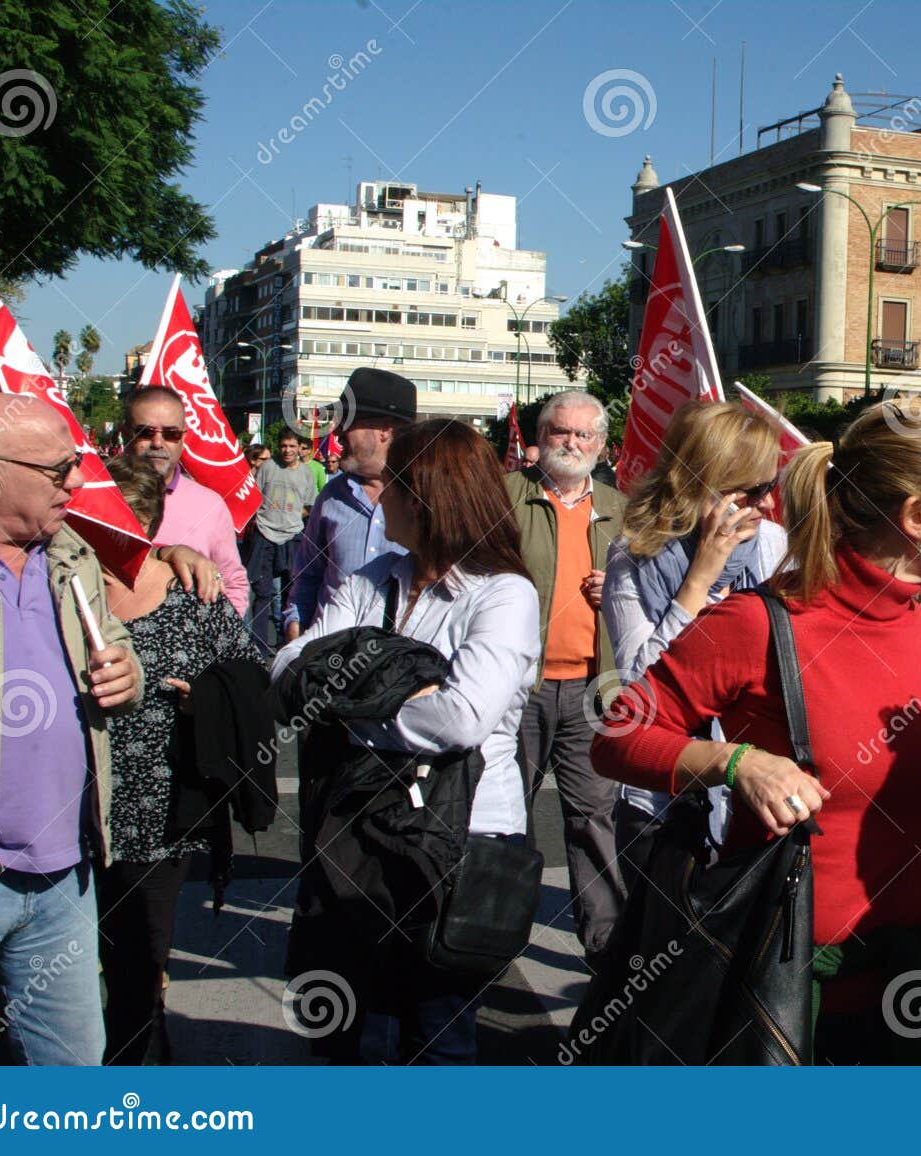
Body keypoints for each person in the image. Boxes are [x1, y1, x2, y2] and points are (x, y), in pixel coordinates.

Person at [591, 401, 921, 1064]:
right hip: (781, 1002)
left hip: (920, 995)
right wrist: (732, 762)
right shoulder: (756, 623)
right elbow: (617, 735)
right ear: (917, 517)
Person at [273, 419, 540, 1064]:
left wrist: (347, 700)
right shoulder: (372, 577)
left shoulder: (505, 595)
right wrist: (398, 693)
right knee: (336, 1022)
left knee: (438, 1030)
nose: (376, 493)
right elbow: (286, 670)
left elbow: (462, 719)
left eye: (390, 482)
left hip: (461, 837)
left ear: (426, 496)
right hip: (355, 831)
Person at [0, 393, 141, 1066]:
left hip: (64, 879)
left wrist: (127, 671)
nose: (76, 482)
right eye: (58, 469)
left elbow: (115, 641)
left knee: (72, 1079)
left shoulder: (70, 555)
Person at [96, 455, 259, 1065]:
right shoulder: (60, 583)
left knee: (140, 961)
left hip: (159, 808)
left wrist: (207, 697)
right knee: (68, 967)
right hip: (69, 811)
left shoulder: (194, 592)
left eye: (131, 525)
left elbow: (251, 675)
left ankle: (139, 1085)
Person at [600, 400, 788, 879]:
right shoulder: (635, 551)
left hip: (757, 796)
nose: (768, 504)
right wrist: (697, 583)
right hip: (663, 800)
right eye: (755, 491)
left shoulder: (771, 546)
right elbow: (638, 689)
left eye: (772, 486)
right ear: (703, 487)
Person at [503, 390, 626, 968]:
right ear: (540, 436)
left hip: (595, 688)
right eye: (561, 432)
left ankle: (605, 946)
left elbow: (656, 596)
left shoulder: (624, 511)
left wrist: (620, 593)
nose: (572, 443)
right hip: (515, 686)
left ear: (601, 446)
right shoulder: (507, 498)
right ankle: (494, 930)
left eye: (584, 435)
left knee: (594, 818)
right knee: (506, 812)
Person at [285, 367, 417, 640]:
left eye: (349, 421)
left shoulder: (423, 500)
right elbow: (308, 575)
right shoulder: (332, 496)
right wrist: (295, 625)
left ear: (383, 430)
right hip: (326, 660)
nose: (337, 432)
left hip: (395, 663)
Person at [123, 386, 249, 616]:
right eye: (145, 432)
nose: (158, 443)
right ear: (125, 433)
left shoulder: (210, 505)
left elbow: (232, 581)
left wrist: (220, 640)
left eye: (170, 434)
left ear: (183, 438)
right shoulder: (98, 499)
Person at [246, 430, 316, 651]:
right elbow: (254, 497)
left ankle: (289, 644)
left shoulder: (306, 473)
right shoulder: (268, 467)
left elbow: (308, 505)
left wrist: (292, 517)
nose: (287, 450)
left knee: (291, 592)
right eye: (284, 446)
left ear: (299, 448)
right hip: (265, 534)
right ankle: (259, 645)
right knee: (262, 592)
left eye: (292, 446)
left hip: (292, 536)